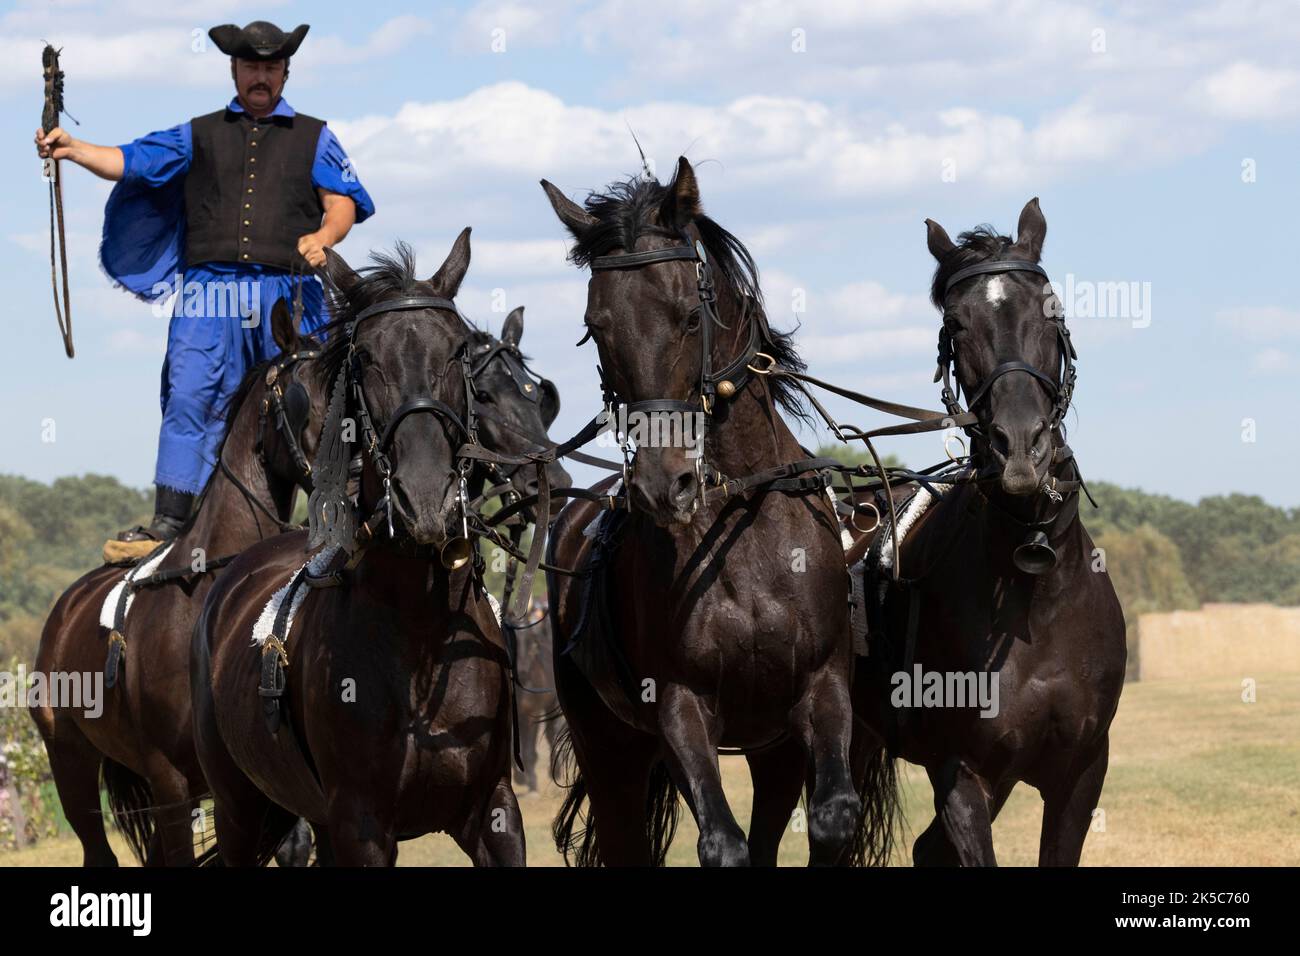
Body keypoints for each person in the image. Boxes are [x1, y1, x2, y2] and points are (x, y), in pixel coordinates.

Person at [35, 21, 375, 557]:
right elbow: (131, 160)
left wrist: (324, 236)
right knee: (191, 395)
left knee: (310, 403)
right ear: (234, 70)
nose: (260, 76)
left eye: (270, 67)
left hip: (288, 295)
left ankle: (335, 521)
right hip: (207, 295)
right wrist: (73, 148)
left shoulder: (316, 137)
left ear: (286, 71)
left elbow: (343, 203)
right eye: (251, 67)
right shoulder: (197, 133)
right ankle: (170, 524)